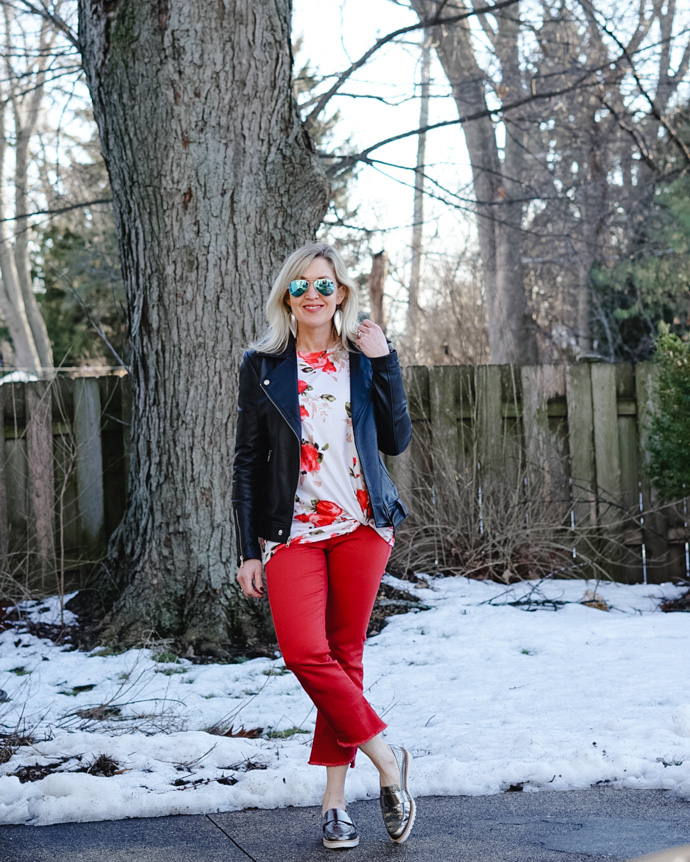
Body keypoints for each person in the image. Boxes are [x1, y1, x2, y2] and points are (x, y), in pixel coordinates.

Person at [232, 242, 415, 849]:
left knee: (345, 656)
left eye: (325, 285)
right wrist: (247, 548)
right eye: (301, 286)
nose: (314, 295)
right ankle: (389, 763)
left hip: (363, 527)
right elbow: (248, 463)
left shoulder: (363, 358)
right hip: (293, 534)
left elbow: (395, 439)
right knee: (308, 653)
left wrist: (385, 360)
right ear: (287, 296)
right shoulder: (262, 365)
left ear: (341, 294)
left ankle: (335, 804)